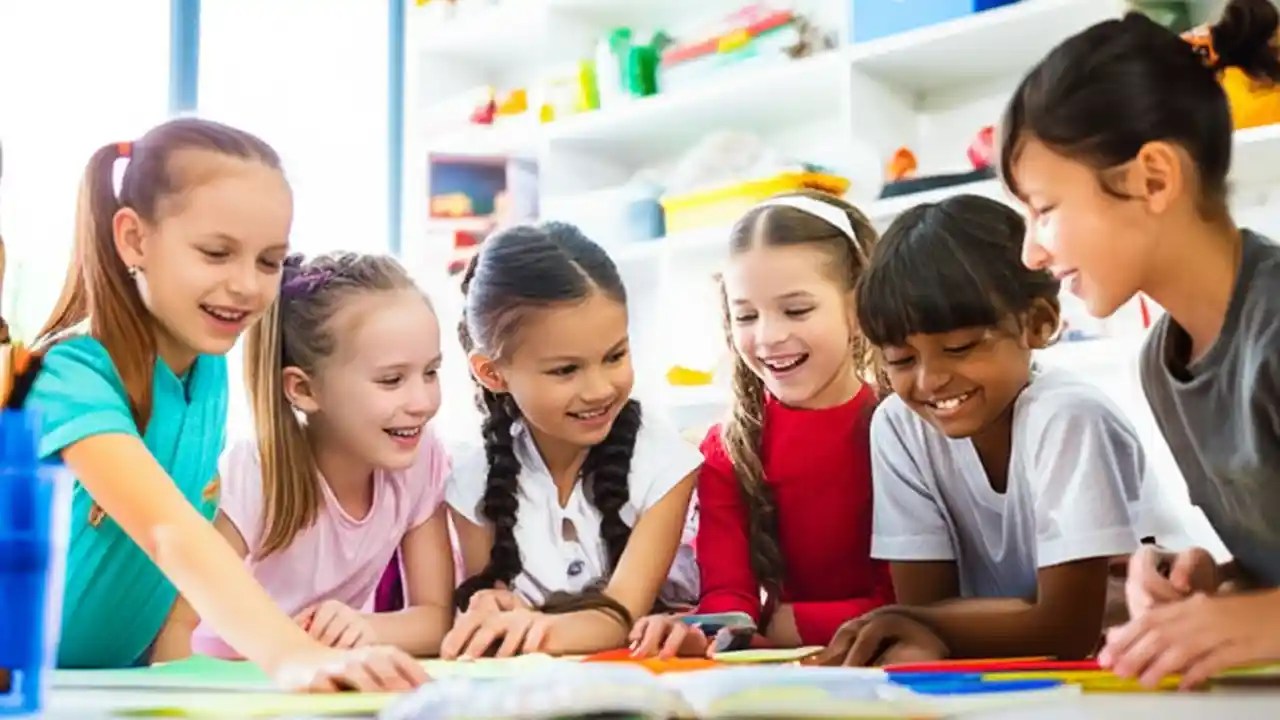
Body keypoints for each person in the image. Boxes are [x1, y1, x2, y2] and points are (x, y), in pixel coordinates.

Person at [16, 118, 424, 691]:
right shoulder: (69, 373)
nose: (247, 286)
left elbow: (174, 575)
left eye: (268, 262)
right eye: (215, 253)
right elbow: (167, 531)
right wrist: (294, 654)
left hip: (106, 689)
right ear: (134, 239)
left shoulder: (207, 371)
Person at [1003, 0, 1280, 688]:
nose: (1031, 252)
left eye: (1044, 210)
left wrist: (1256, 622)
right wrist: (1219, 592)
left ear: (1152, 179)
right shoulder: (1163, 364)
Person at [819, 195, 1148, 666]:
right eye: (901, 360)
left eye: (960, 347)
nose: (930, 380)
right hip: (1021, 672)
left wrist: (909, 622)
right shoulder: (899, 425)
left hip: (1132, 669)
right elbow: (927, 611)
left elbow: (1069, 629)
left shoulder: (1069, 417)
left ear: (1037, 324)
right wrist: (915, 624)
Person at [630, 191, 895, 659]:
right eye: (746, 315)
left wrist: (796, 622)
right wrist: (701, 630)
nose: (769, 336)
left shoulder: (901, 432)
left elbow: (913, 598)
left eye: (796, 310)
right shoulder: (728, 449)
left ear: (857, 307)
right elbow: (729, 598)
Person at [440, 222, 702, 659]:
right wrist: (492, 607)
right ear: (492, 373)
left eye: (615, 356)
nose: (599, 388)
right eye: (566, 370)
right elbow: (494, 602)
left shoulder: (663, 464)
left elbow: (620, 613)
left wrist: (532, 629)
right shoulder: (471, 481)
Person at [189, 252, 454, 659]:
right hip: (232, 676)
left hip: (316, 678)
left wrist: (365, 626)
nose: (422, 401)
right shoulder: (255, 473)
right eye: (391, 380)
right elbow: (181, 618)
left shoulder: (421, 458)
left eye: (431, 372)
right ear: (303, 390)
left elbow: (436, 621)